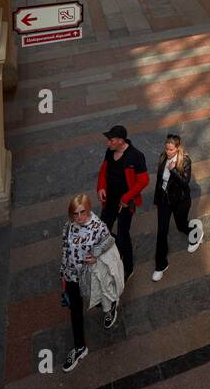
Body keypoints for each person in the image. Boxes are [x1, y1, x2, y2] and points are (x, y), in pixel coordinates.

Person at [60, 193, 113, 372]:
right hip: (73, 276)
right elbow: (65, 251)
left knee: (96, 299)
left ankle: (109, 306)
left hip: (91, 275)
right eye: (75, 213)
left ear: (89, 209)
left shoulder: (98, 226)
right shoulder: (68, 227)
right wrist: (64, 278)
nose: (79, 217)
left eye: (82, 212)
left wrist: (96, 254)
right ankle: (80, 347)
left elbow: (109, 241)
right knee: (76, 312)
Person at [97, 125, 149, 279]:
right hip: (110, 201)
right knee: (103, 229)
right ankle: (115, 248)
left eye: (111, 140)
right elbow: (103, 170)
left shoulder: (136, 156)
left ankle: (128, 267)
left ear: (120, 141)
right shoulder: (110, 152)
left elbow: (143, 180)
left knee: (123, 234)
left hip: (125, 204)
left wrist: (126, 198)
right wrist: (100, 187)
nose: (108, 143)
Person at [152, 133, 202, 280]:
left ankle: (195, 232)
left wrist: (174, 170)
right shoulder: (162, 157)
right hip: (164, 201)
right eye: (167, 149)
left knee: (181, 226)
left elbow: (185, 183)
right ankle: (160, 265)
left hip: (180, 201)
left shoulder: (185, 161)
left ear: (178, 148)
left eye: (171, 150)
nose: (168, 152)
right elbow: (159, 181)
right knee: (161, 232)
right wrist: (157, 200)